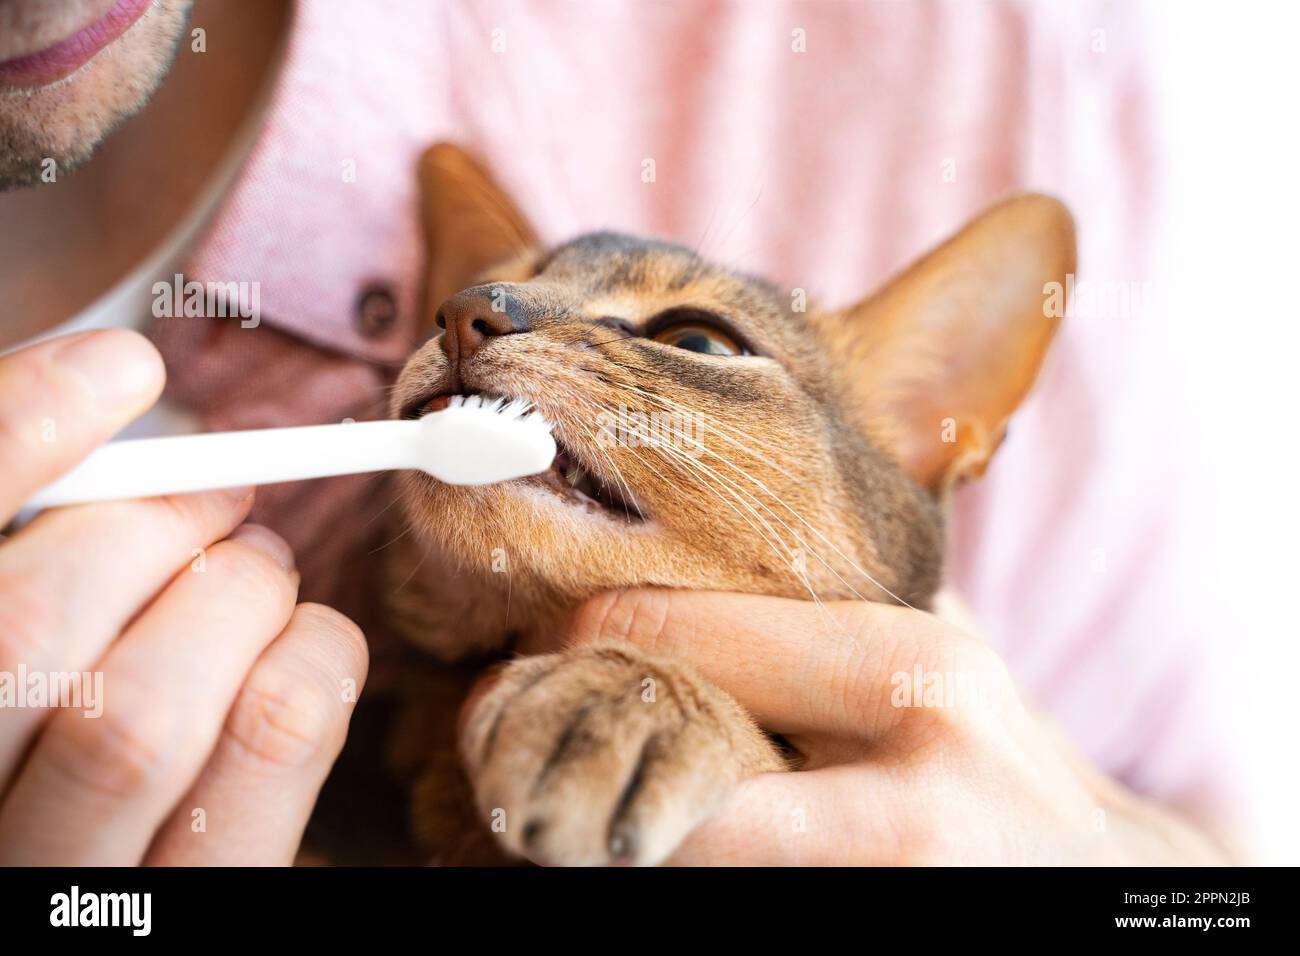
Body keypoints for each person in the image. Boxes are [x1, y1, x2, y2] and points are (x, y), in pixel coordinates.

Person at [0, 0, 1238, 863]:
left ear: (921, 436)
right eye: (485, 294)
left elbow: (1218, 836)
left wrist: (1116, 863)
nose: (482, 316)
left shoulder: (999, 61)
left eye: (695, 342)